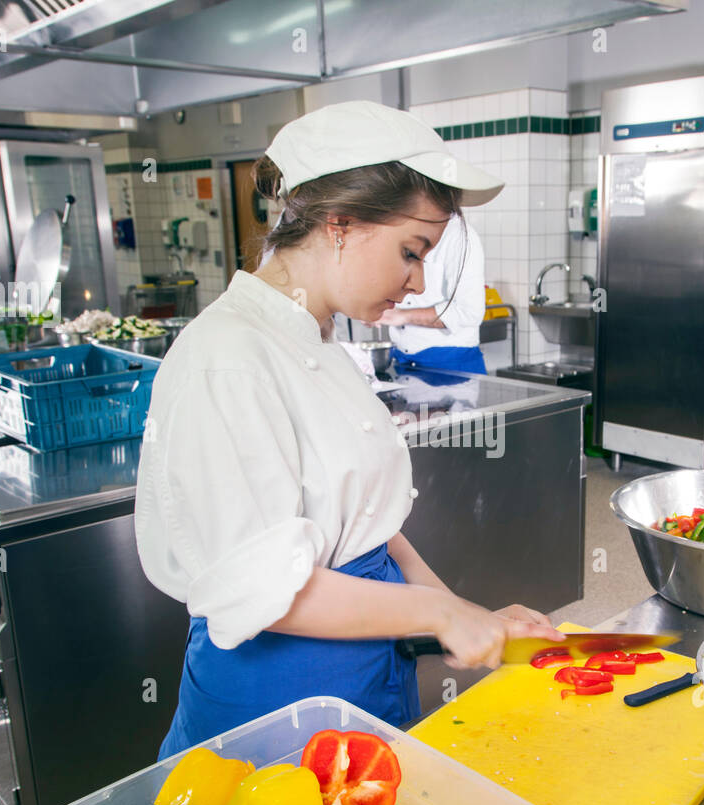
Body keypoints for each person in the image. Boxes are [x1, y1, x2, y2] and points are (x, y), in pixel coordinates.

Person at [135, 100, 562, 760]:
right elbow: (263, 593)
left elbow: (370, 528)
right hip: (274, 698)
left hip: (367, 671)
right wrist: (439, 616)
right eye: (411, 252)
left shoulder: (319, 340)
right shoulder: (226, 356)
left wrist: (461, 609)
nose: (417, 280)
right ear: (340, 225)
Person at [366, 213, 488, 375]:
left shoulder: (460, 236)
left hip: (451, 366)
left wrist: (402, 316)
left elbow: (469, 312)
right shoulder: (404, 228)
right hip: (403, 361)